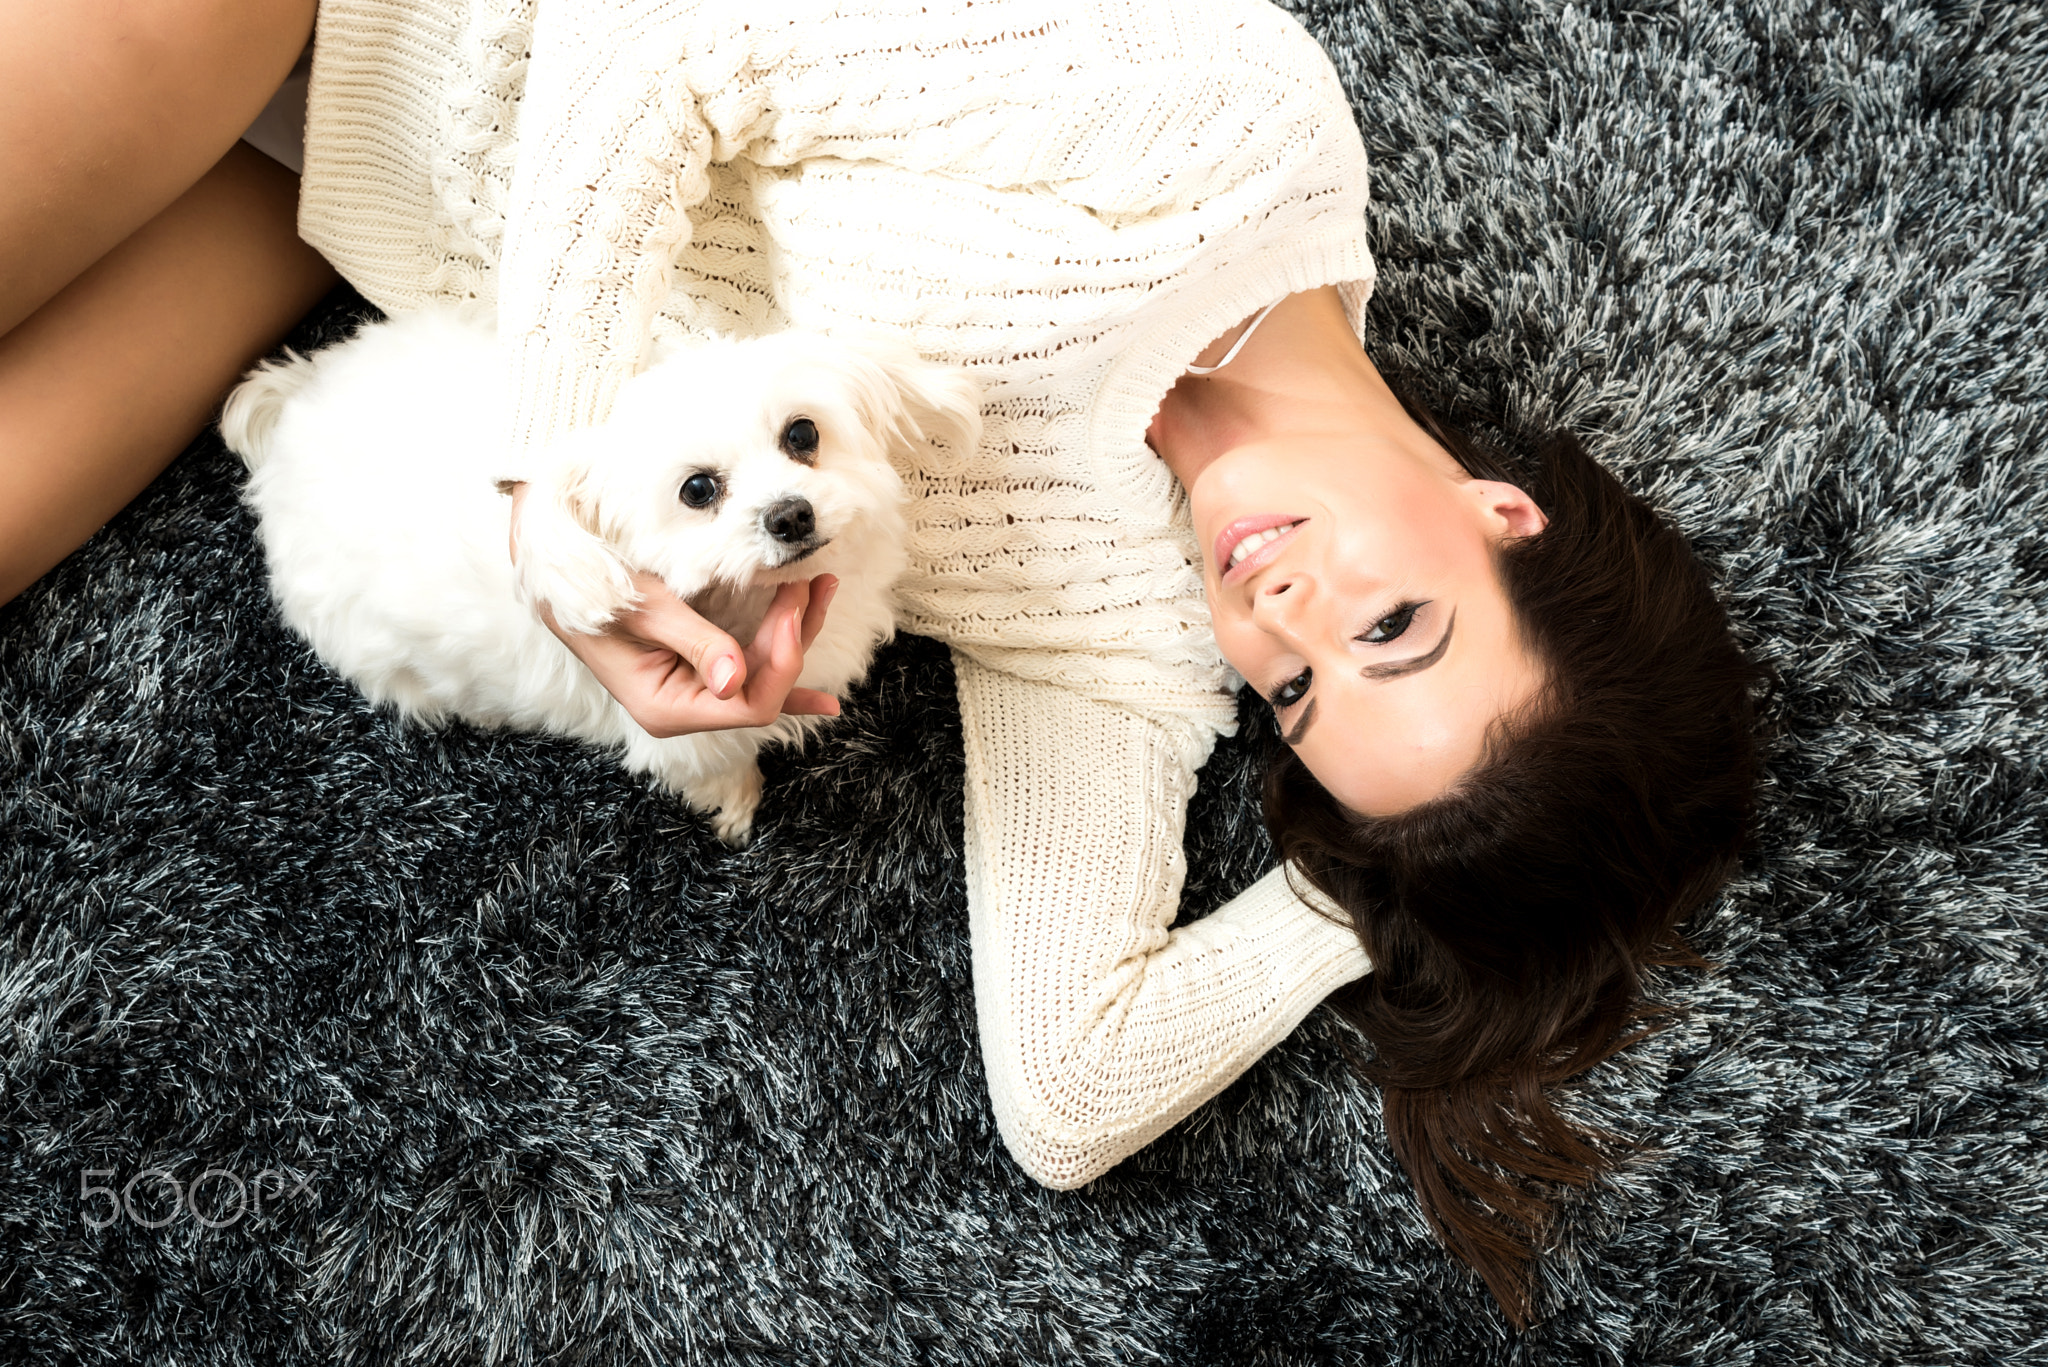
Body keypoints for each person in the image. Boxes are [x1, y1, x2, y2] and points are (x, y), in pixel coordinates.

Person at [4, 0, 1760, 1327]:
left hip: (335, 200)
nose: (1280, 620)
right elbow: (662, 60)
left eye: (1304, 700)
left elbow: (1065, 1099)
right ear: (1504, 514)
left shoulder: (1133, 634)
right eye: (1396, 629)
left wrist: (1375, 888)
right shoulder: (1238, 134)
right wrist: (555, 499)